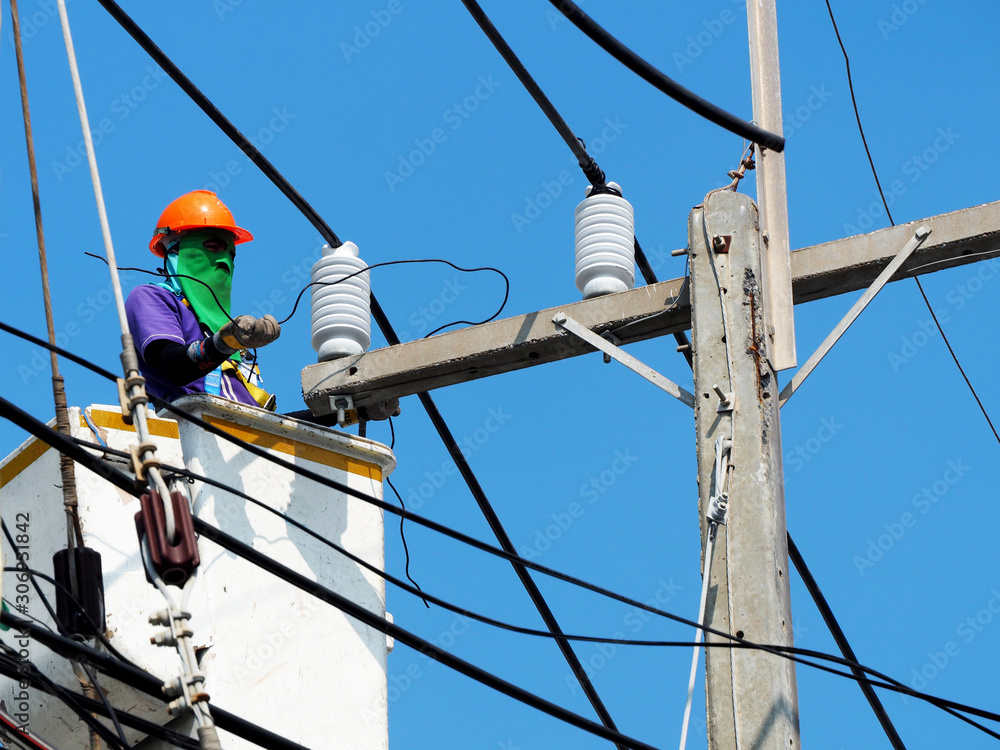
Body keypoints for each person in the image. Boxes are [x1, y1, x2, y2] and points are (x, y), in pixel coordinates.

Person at [125, 190, 281, 410]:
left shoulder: (230, 335)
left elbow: (257, 420)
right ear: (174, 252)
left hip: (240, 437)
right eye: (212, 247)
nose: (224, 260)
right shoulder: (152, 298)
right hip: (193, 430)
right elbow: (172, 366)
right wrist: (224, 343)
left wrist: (325, 413)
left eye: (231, 254)